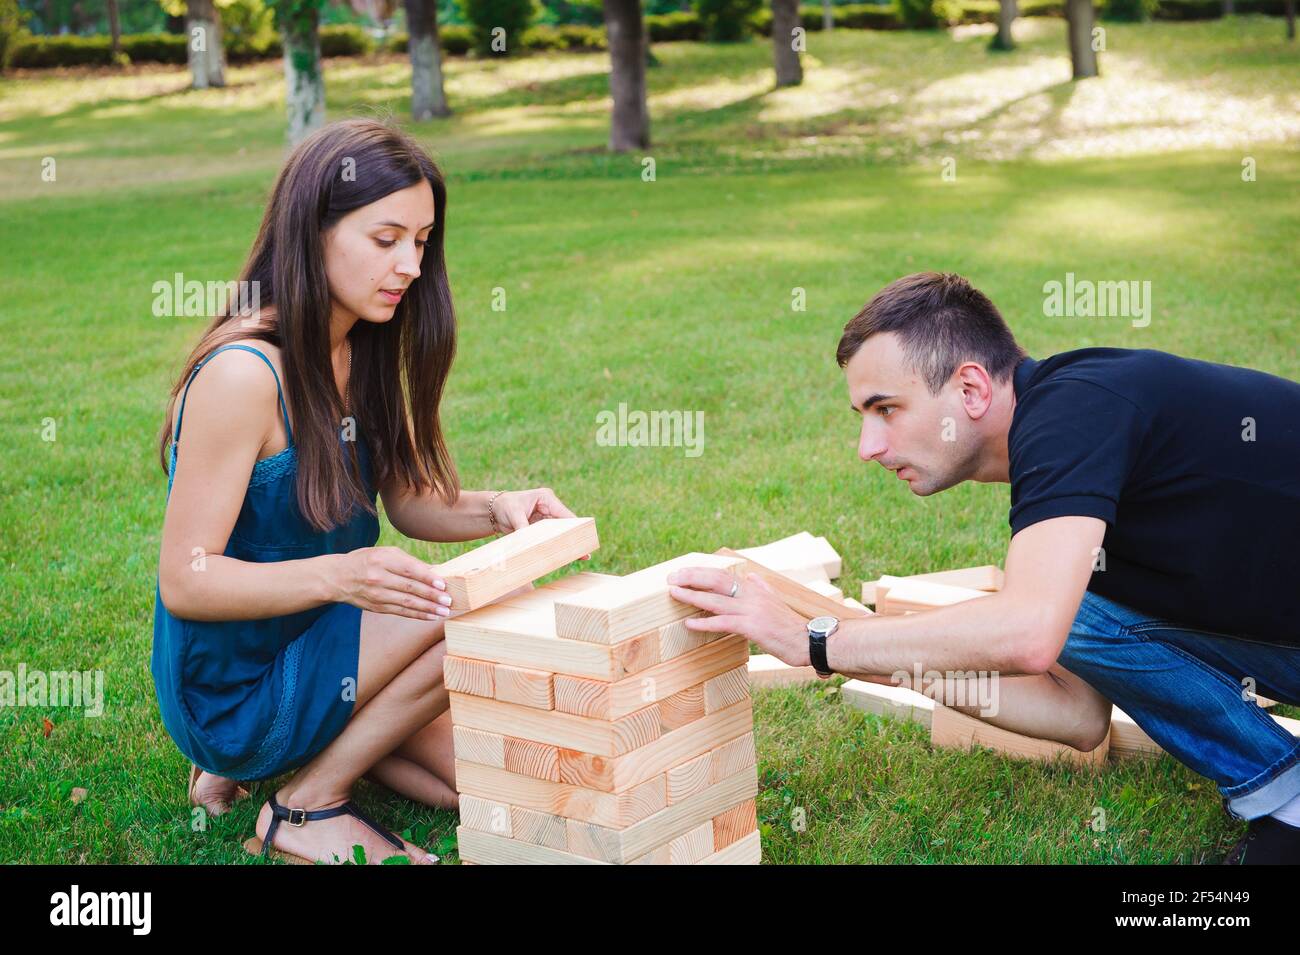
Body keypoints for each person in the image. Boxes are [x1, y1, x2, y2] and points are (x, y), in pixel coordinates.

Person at [668, 271, 1300, 864]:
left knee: (1062, 614)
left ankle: (1289, 801)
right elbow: (1075, 717)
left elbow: (1030, 632)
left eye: (885, 409)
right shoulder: (1071, 462)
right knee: (1074, 611)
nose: (868, 448)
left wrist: (820, 643)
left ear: (970, 389)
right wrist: (894, 663)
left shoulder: (1073, 413)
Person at [152, 118, 581, 865]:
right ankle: (303, 806)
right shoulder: (242, 376)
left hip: (330, 642)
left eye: (421, 241)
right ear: (311, 231)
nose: (411, 265)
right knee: (458, 610)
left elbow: (409, 499)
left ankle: (279, 760)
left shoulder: (365, 344)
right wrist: (342, 576)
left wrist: (499, 509)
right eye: (386, 240)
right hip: (230, 688)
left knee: (475, 784)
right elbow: (186, 580)